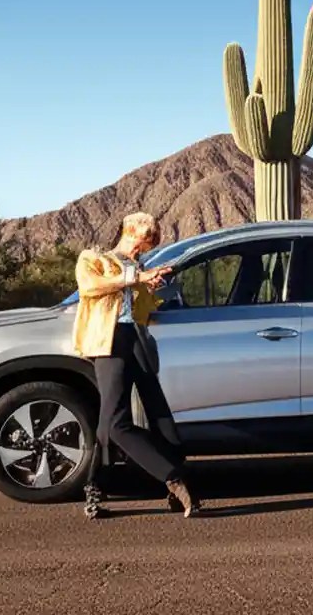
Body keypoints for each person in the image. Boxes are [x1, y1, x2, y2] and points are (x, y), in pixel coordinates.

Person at [72, 211, 201, 519]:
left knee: (156, 415)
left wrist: (152, 287)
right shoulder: (94, 259)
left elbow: (143, 310)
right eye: (144, 241)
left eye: (149, 243)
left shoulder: (139, 268)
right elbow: (90, 288)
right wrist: (136, 278)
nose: (144, 248)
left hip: (138, 338)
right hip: (109, 342)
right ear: (130, 231)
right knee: (116, 422)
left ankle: (95, 490)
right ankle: (172, 479)